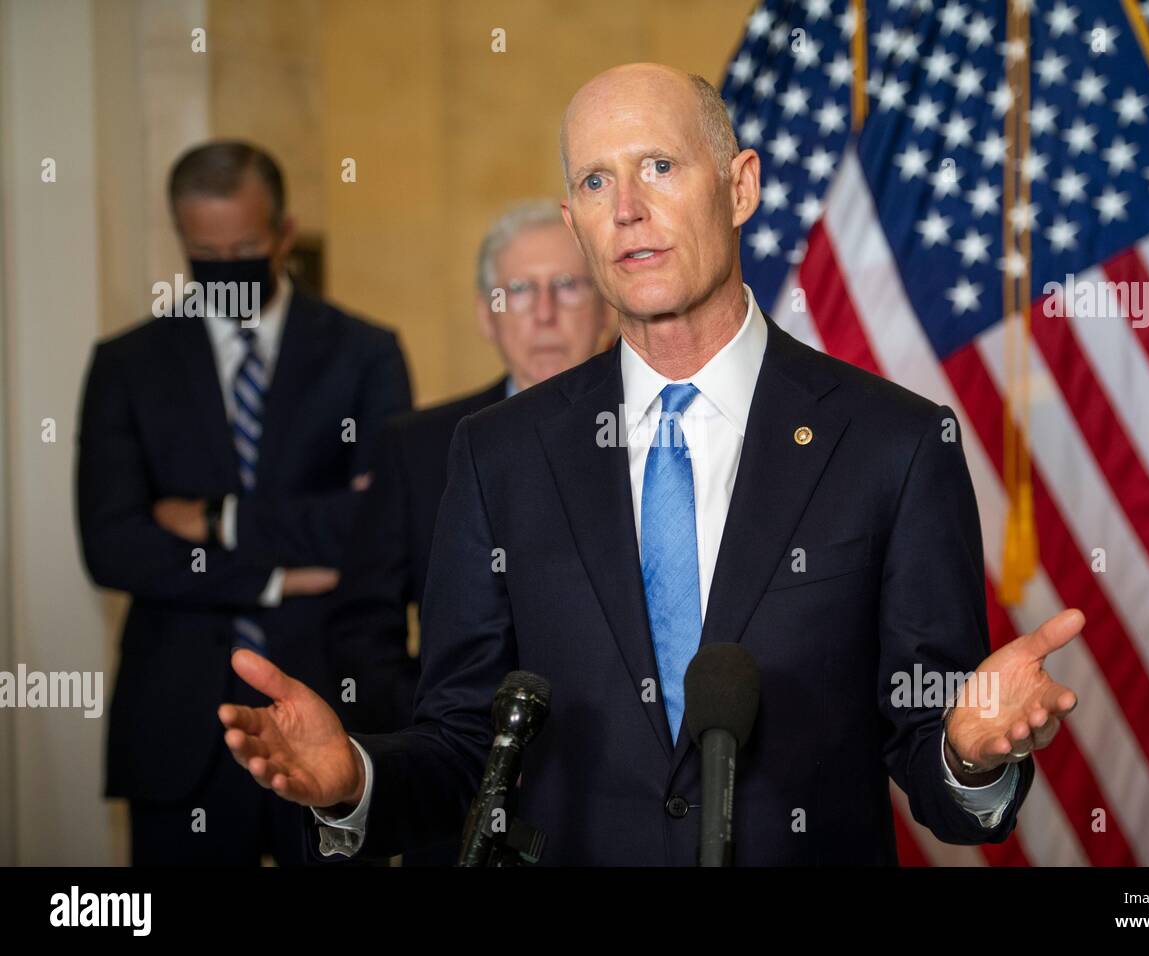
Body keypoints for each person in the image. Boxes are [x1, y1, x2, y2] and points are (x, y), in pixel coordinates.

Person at [220, 66, 1082, 866]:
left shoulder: (893, 443)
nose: (627, 206)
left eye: (660, 166)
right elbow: (461, 748)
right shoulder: (500, 455)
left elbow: (935, 766)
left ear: (740, 186)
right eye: (596, 182)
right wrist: (356, 783)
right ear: (576, 224)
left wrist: (968, 757)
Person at [76, 140, 412, 865]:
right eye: (206, 250)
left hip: (334, 713)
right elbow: (113, 544)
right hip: (177, 726)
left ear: (283, 233)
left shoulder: (365, 353)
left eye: (246, 247)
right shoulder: (128, 365)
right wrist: (274, 576)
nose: (227, 266)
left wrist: (216, 520)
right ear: (182, 240)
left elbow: (379, 524)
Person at [326, 198, 612, 862]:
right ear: (488, 315)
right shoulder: (419, 447)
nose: (543, 312)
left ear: (605, 307)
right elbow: (358, 631)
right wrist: (463, 736)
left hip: (617, 804)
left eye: (567, 286)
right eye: (519, 291)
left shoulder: (658, 436)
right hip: (455, 814)